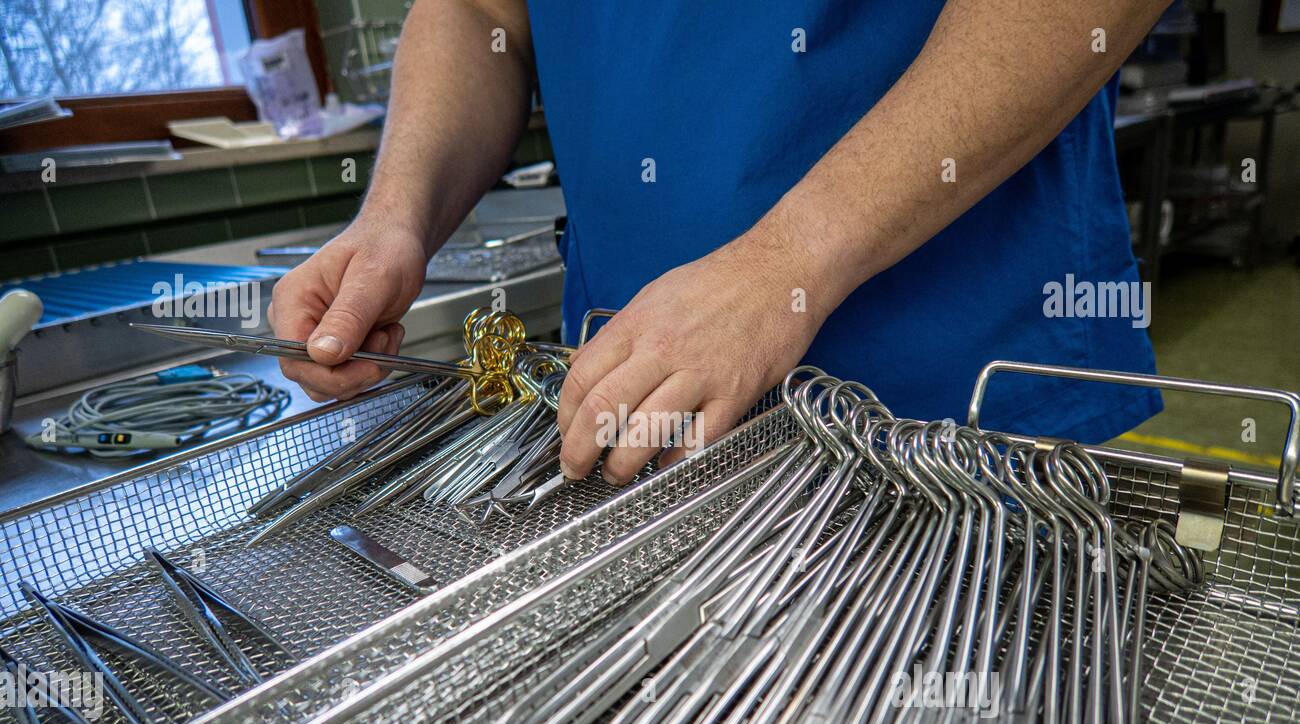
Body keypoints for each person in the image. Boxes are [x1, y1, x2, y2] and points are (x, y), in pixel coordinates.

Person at [270, 0, 1168, 486]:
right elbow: (478, 12)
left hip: (958, 413)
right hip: (635, 411)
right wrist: (396, 213)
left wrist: (787, 262)